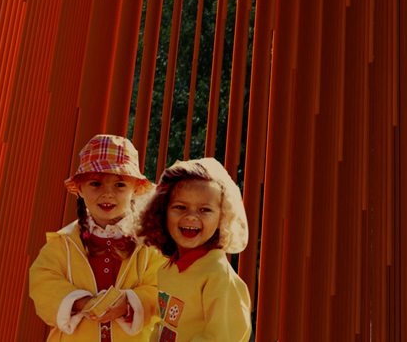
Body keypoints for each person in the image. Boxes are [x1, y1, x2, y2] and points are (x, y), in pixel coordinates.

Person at [29, 134, 162, 340]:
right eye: (95, 184)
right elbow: (43, 284)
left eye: (119, 185)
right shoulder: (62, 243)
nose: (107, 194)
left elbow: (162, 287)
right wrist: (80, 302)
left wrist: (129, 302)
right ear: (80, 188)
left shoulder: (150, 245)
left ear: (135, 189)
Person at [136, 157, 253, 342]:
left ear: (221, 218)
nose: (191, 216)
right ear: (162, 212)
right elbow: (164, 325)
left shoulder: (218, 276)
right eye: (180, 207)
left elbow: (224, 337)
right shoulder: (167, 269)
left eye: (205, 210)